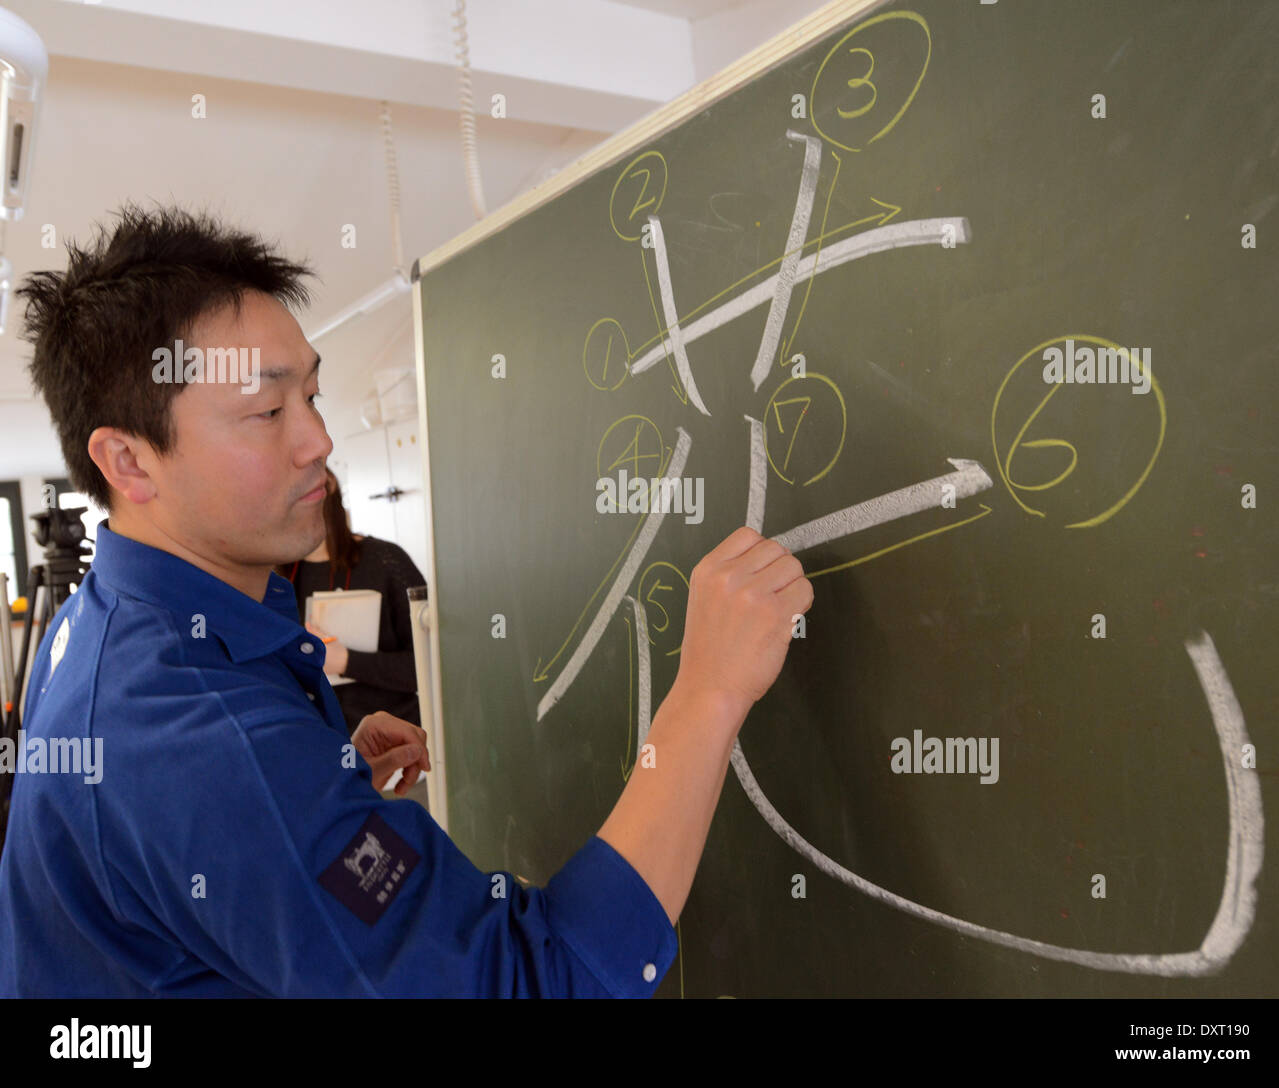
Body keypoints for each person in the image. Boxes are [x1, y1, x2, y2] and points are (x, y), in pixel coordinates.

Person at [0, 202, 812, 997]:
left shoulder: (99, 624)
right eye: (266, 410)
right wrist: (708, 692)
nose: (317, 439)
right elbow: (536, 982)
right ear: (129, 463)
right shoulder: (205, 744)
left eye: (312, 396)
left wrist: (324, 777)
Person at [275, 467, 425, 746]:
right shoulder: (272, 576)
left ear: (328, 491)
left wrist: (345, 661)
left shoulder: (385, 561)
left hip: (396, 741)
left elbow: (431, 665)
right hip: (317, 747)